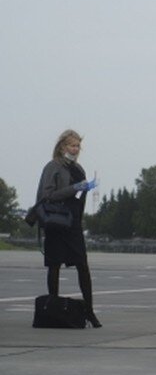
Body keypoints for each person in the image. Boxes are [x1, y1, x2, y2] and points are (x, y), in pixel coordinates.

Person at [36, 129, 100, 328]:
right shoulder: (53, 167)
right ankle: (52, 307)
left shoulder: (78, 169)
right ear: (62, 146)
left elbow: (79, 199)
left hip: (73, 224)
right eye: (72, 145)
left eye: (78, 146)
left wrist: (85, 189)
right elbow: (47, 196)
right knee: (54, 266)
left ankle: (89, 310)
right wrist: (75, 188)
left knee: (83, 265)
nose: (75, 149)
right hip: (56, 223)